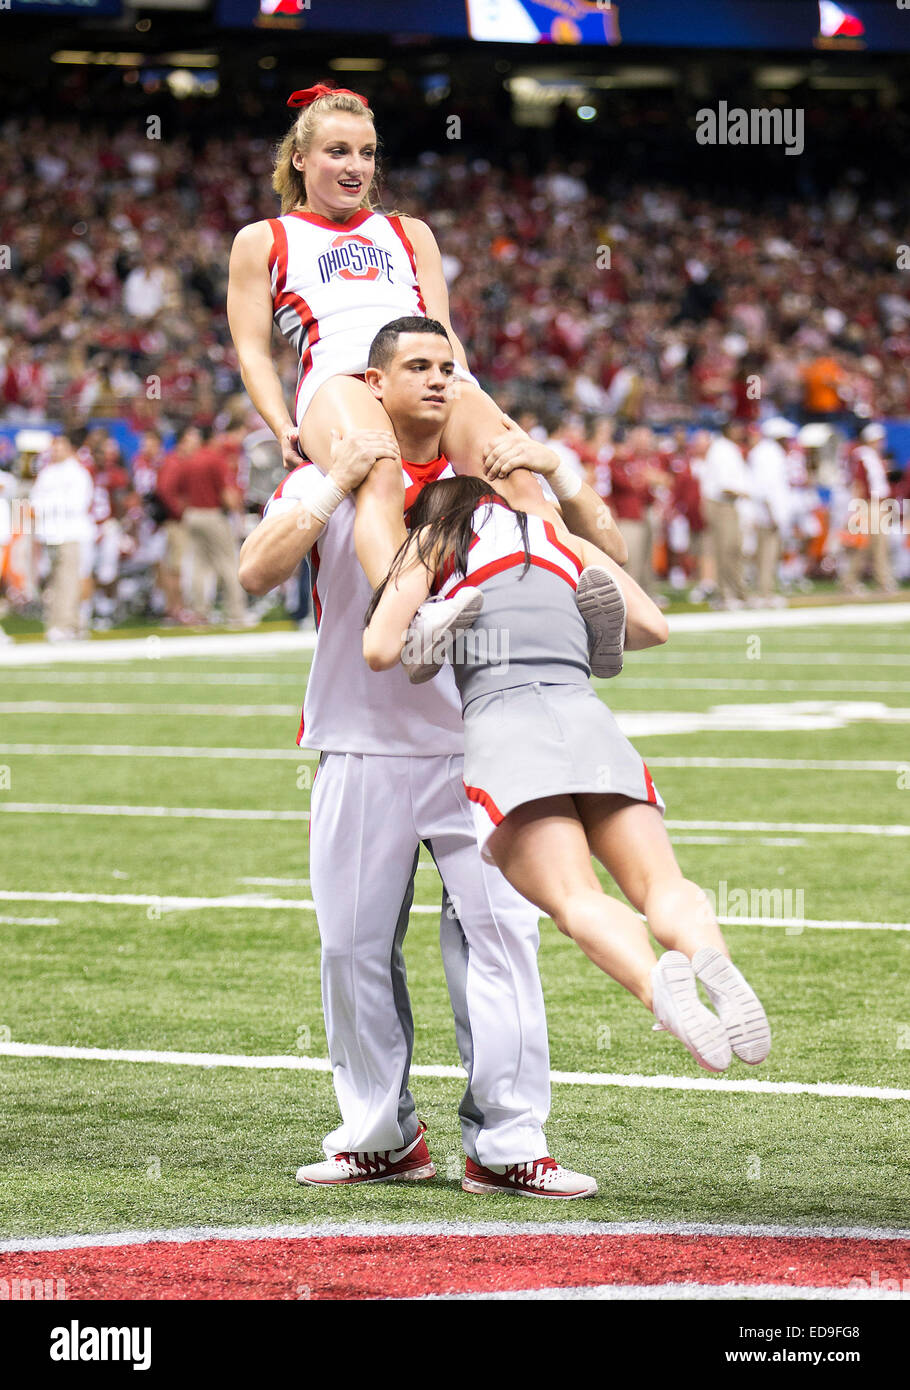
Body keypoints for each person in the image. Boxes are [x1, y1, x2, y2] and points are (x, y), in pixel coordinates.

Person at [239, 317, 600, 1199]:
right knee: (353, 946)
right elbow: (254, 572)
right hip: (362, 744)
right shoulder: (329, 472)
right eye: (419, 367)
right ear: (373, 382)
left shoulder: (495, 483)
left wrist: (563, 478)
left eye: (450, 367)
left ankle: (511, 1140)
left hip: (486, 739)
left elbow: (599, 564)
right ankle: (378, 1132)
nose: (440, 380)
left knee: (504, 938)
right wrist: (332, 484)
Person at [364, 479, 772, 1075]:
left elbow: (378, 649)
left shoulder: (433, 537)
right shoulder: (561, 537)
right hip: (587, 719)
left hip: (507, 732)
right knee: (663, 885)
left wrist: (427, 623)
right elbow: (654, 626)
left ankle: (657, 988)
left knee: (578, 898)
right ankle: (709, 956)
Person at [226, 82, 625, 618]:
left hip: (432, 370)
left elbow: (444, 330)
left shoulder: (410, 232)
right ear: (299, 158)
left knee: (511, 469)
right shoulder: (264, 238)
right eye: (337, 151)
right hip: (341, 380)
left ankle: (563, 605)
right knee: (379, 472)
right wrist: (281, 426)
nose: (356, 166)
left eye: (367, 153)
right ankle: (411, 620)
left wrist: (476, 394)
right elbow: (252, 352)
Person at [29, 433, 95, 642]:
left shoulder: (78, 473)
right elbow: (35, 503)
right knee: (54, 580)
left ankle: (66, 623)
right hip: (50, 533)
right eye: (54, 447)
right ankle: (65, 622)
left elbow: (77, 504)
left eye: (60, 447)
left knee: (68, 579)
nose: (56, 451)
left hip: (70, 532)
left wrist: (50, 505)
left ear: (69, 449)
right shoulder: (47, 473)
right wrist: (51, 507)